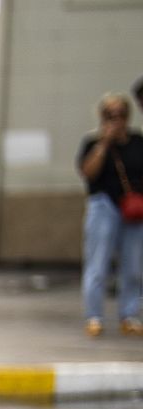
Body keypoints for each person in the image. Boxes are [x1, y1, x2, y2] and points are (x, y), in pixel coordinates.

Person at [78, 92, 143, 338]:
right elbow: (88, 173)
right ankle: (94, 316)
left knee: (134, 265)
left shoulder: (138, 142)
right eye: (110, 115)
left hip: (133, 208)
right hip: (103, 205)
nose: (116, 120)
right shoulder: (92, 143)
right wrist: (104, 143)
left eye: (121, 115)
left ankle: (129, 314)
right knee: (98, 263)